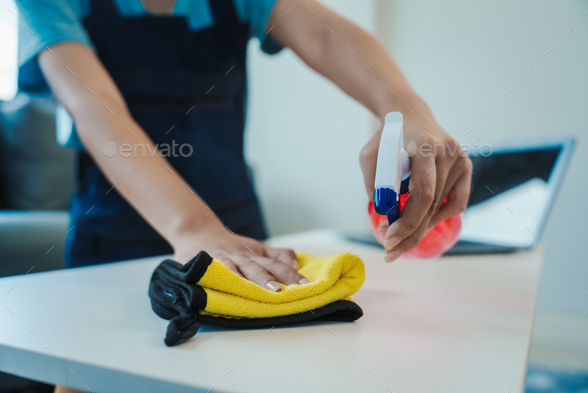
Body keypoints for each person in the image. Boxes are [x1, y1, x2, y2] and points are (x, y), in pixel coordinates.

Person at [16, 0, 471, 390]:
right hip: (109, 248)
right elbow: (94, 103)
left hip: (242, 244)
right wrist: (195, 229)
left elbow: (323, 33)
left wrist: (410, 112)